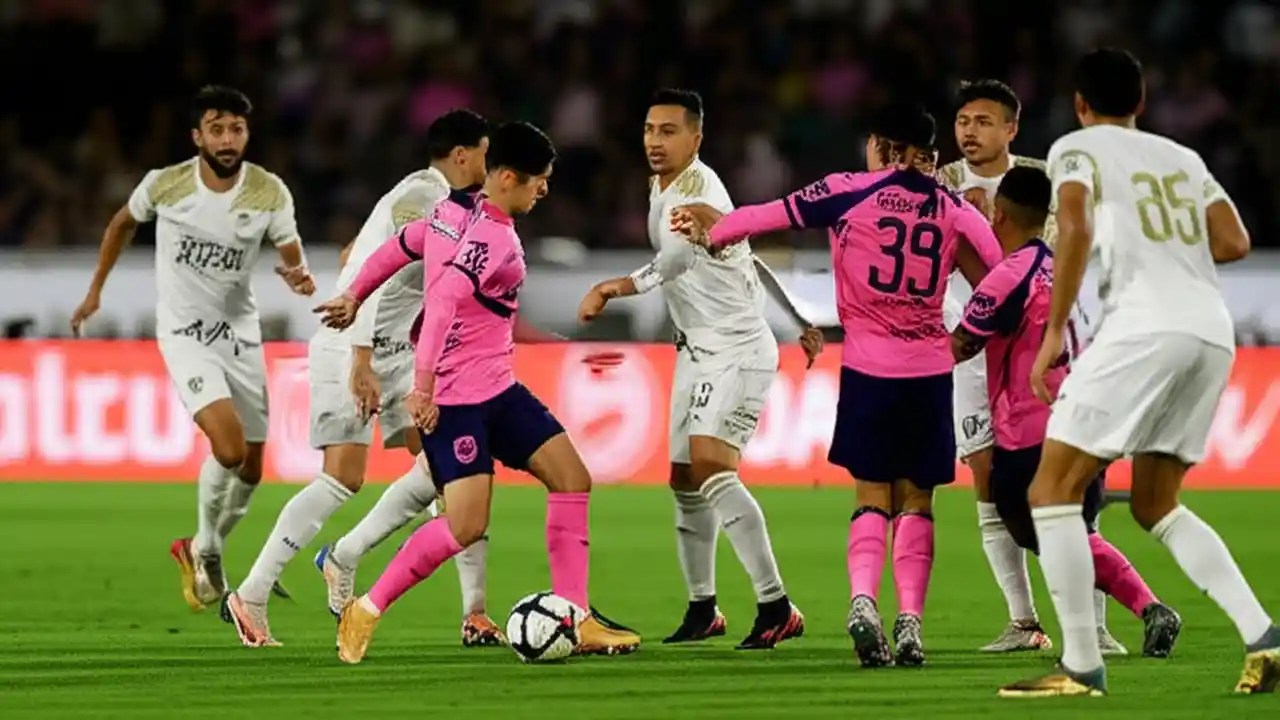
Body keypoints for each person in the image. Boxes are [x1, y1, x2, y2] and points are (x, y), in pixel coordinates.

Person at [998, 48, 1277, 698]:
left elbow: (1071, 226)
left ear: (1080, 104)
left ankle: (1080, 667)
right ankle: (1265, 638)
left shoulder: (1076, 147)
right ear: (1141, 105)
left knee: (1049, 491)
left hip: (1142, 329)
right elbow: (1234, 242)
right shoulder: (1184, 157)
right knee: (1155, 503)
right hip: (1211, 331)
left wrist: (1049, 341)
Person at [685, 103, 1002, 668]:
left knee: (870, 496)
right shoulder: (953, 207)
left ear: (884, 146)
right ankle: (910, 621)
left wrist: (719, 232)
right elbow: (1001, 277)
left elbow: (767, 215)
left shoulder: (848, 190)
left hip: (868, 369)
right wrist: (968, 335)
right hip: (930, 370)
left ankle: (862, 602)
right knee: (919, 501)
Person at [318, 121, 642, 664]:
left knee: (571, 478)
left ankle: (576, 614)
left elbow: (401, 248)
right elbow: (443, 301)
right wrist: (422, 390)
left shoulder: (449, 213)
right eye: (539, 181)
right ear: (509, 177)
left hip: (500, 390)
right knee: (467, 525)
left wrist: (354, 293)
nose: (545, 190)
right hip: (458, 402)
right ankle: (367, 608)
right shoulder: (492, 235)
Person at [221, 110, 506, 647]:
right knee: (343, 477)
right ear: (465, 155)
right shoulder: (424, 198)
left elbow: (358, 251)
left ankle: (449, 602)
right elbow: (379, 264)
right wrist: (361, 359)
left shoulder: (431, 199)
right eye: (486, 155)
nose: (489, 168)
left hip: (396, 351)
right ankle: (251, 595)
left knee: (447, 470)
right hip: (354, 345)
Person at [576, 89, 813, 650]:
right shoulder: (662, 186)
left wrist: (613, 287)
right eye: (649, 130)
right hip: (695, 350)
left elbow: (675, 261)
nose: (655, 141)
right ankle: (704, 607)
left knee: (711, 466)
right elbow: (747, 256)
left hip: (736, 350)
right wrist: (800, 317)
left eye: (669, 132)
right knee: (683, 478)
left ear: (696, 138)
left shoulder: (697, 191)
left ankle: (776, 605)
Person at [70, 85, 313, 612]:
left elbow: (290, 251)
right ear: (197, 136)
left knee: (252, 468)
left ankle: (204, 547)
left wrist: (298, 276)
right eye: (218, 129)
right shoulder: (167, 185)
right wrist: (95, 291)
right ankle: (205, 543)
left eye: (238, 129)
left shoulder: (268, 191)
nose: (228, 140)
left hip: (239, 334)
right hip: (184, 333)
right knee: (226, 449)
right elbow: (121, 224)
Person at [950, 165, 1182, 663]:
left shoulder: (1007, 277)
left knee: (1034, 527)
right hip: (1083, 424)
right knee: (1072, 530)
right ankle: (1147, 609)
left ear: (998, 213)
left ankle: (1088, 644)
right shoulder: (1064, 273)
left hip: (1030, 432)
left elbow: (960, 345)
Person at [939, 78, 1126, 655]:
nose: (971, 132)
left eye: (984, 122)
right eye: (964, 121)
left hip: (1041, 357)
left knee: (1068, 487)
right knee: (989, 484)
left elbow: (1051, 265)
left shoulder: (1042, 184)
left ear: (1011, 129)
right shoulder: (938, 184)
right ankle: (1024, 623)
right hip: (971, 359)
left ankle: (1095, 625)